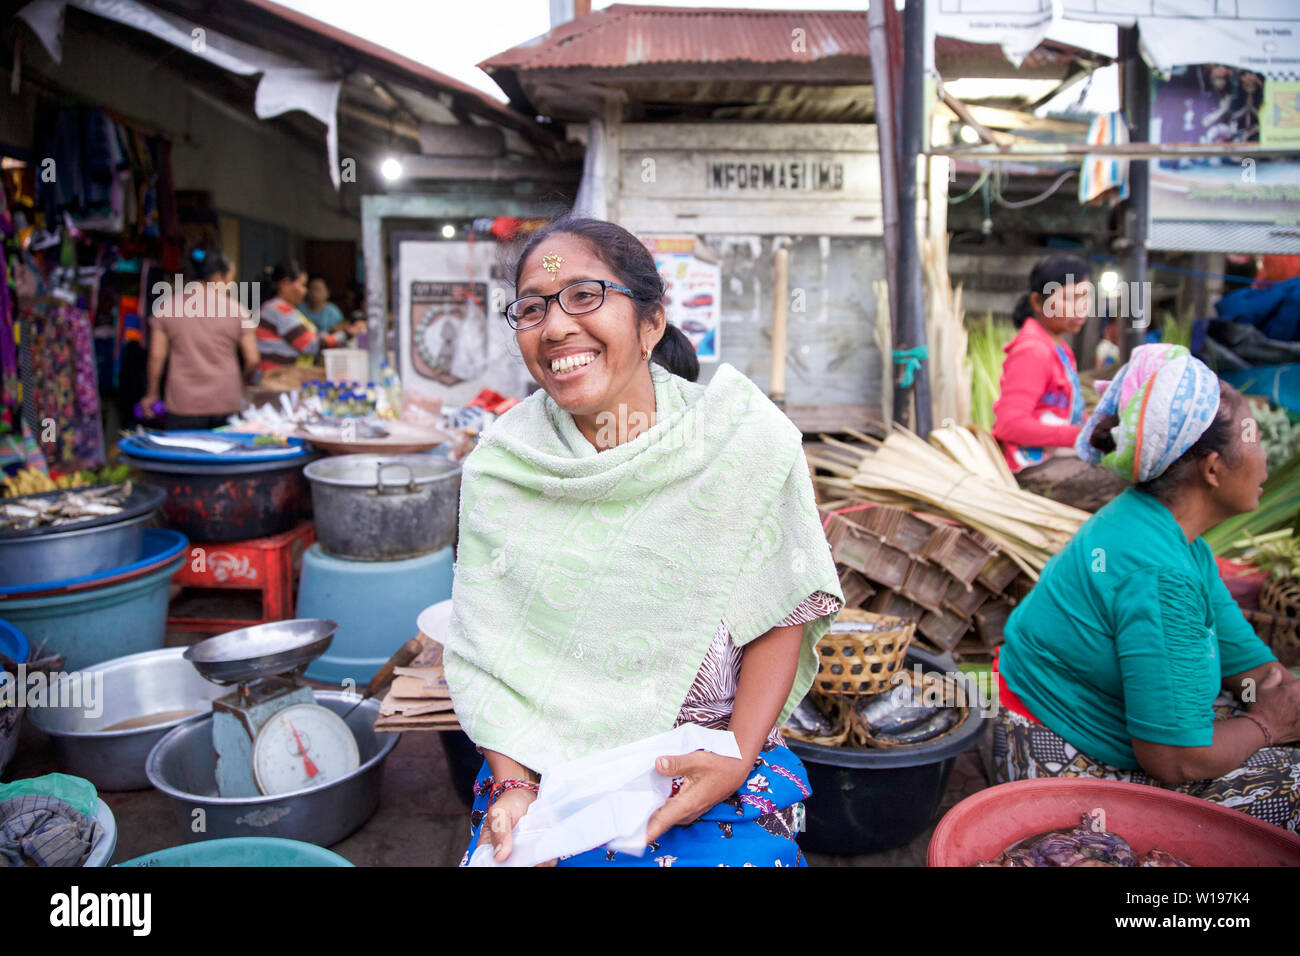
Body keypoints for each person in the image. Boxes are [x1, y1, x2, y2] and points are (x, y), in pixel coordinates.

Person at [444, 215, 842, 867]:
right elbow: (489, 654)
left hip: (711, 754)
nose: (556, 327)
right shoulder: (502, 465)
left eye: (584, 295)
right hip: (545, 770)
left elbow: (782, 612)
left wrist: (735, 758)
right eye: (531, 308)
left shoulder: (742, 444)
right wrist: (514, 782)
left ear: (652, 323)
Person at [993, 344, 1300, 831]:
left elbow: (1248, 663)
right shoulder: (1160, 572)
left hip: (1078, 724)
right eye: (1256, 440)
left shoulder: (1176, 540)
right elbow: (1174, 758)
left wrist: (1280, 693)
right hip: (1066, 764)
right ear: (1214, 468)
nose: (1265, 458)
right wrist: (1268, 725)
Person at [992, 254, 1127, 511]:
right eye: (1067, 299)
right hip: (1033, 468)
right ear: (1037, 302)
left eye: (1084, 297)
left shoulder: (1059, 348)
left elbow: (1060, 412)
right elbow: (1008, 425)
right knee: (1131, 484)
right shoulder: (1033, 350)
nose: (1081, 308)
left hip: (1057, 459)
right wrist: (1080, 435)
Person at [142, 249, 258, 430]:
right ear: (218, 276)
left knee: (183, 458)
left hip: (182, 404)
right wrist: (242, 384)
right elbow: (252, 359)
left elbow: (157, 355)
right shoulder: (237, 310)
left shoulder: (167, 307)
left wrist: (152, 393)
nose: (230, 285)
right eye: (230, 280)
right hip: (226, 402)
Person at [255, 260, 351, 371]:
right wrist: (346, 334)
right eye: (302, 285)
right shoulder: (280, 310)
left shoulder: (272, 307)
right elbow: (311, 345)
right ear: (285, 284)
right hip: (274, 378)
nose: (305, 291)